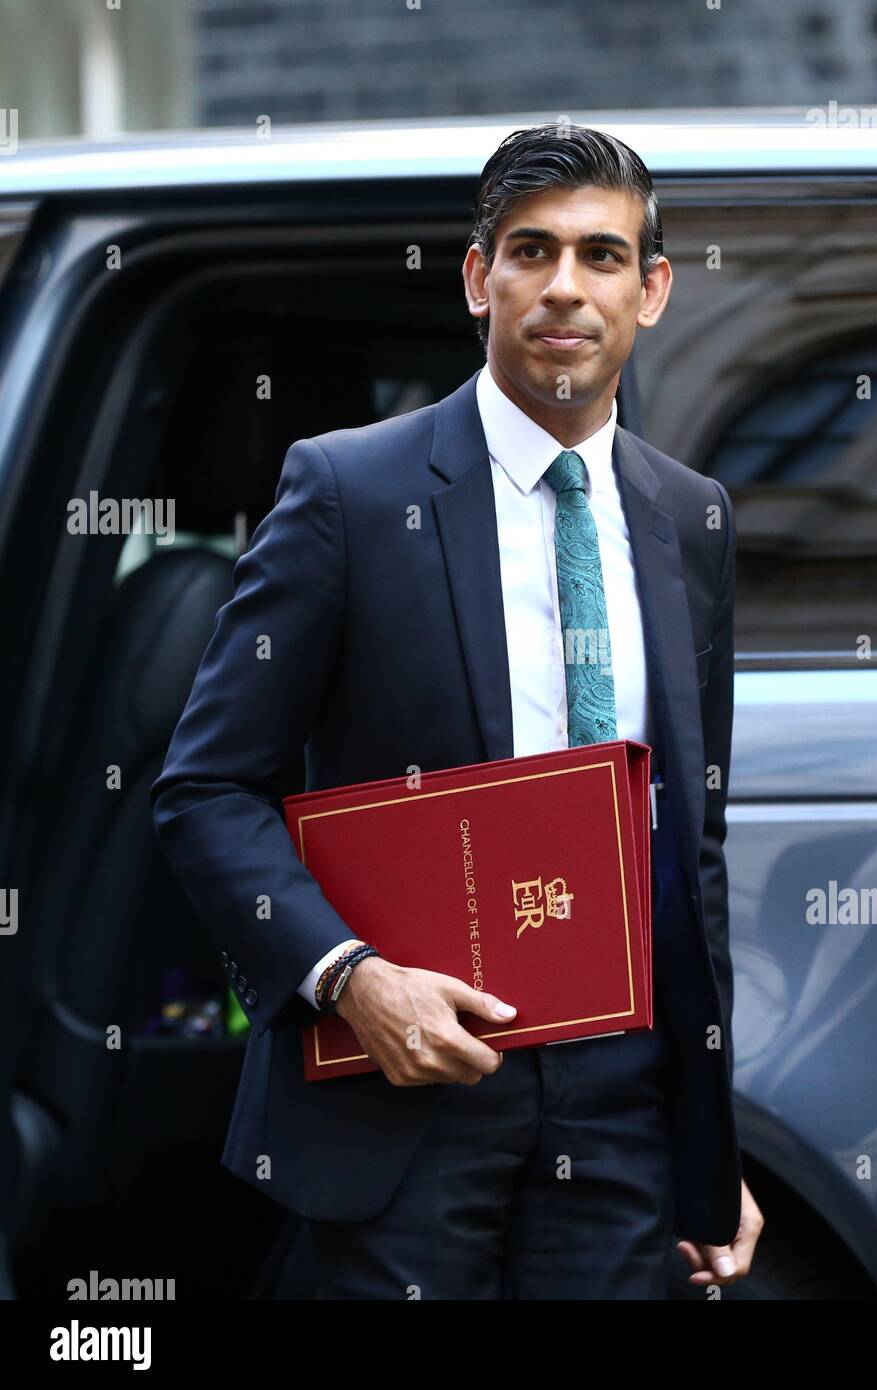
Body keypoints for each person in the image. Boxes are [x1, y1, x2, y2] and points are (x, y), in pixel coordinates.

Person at [150, 122, 762, 1299]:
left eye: (600, 255)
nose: (564, 286)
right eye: (531, 252)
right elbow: (205, 789)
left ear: (651, 291)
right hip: (409, 1089)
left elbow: (693, 843)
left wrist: (707, 1135)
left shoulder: (690, 518)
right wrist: (348, 978)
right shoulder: (350, 489)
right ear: (480, 279)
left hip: (621, 1101)